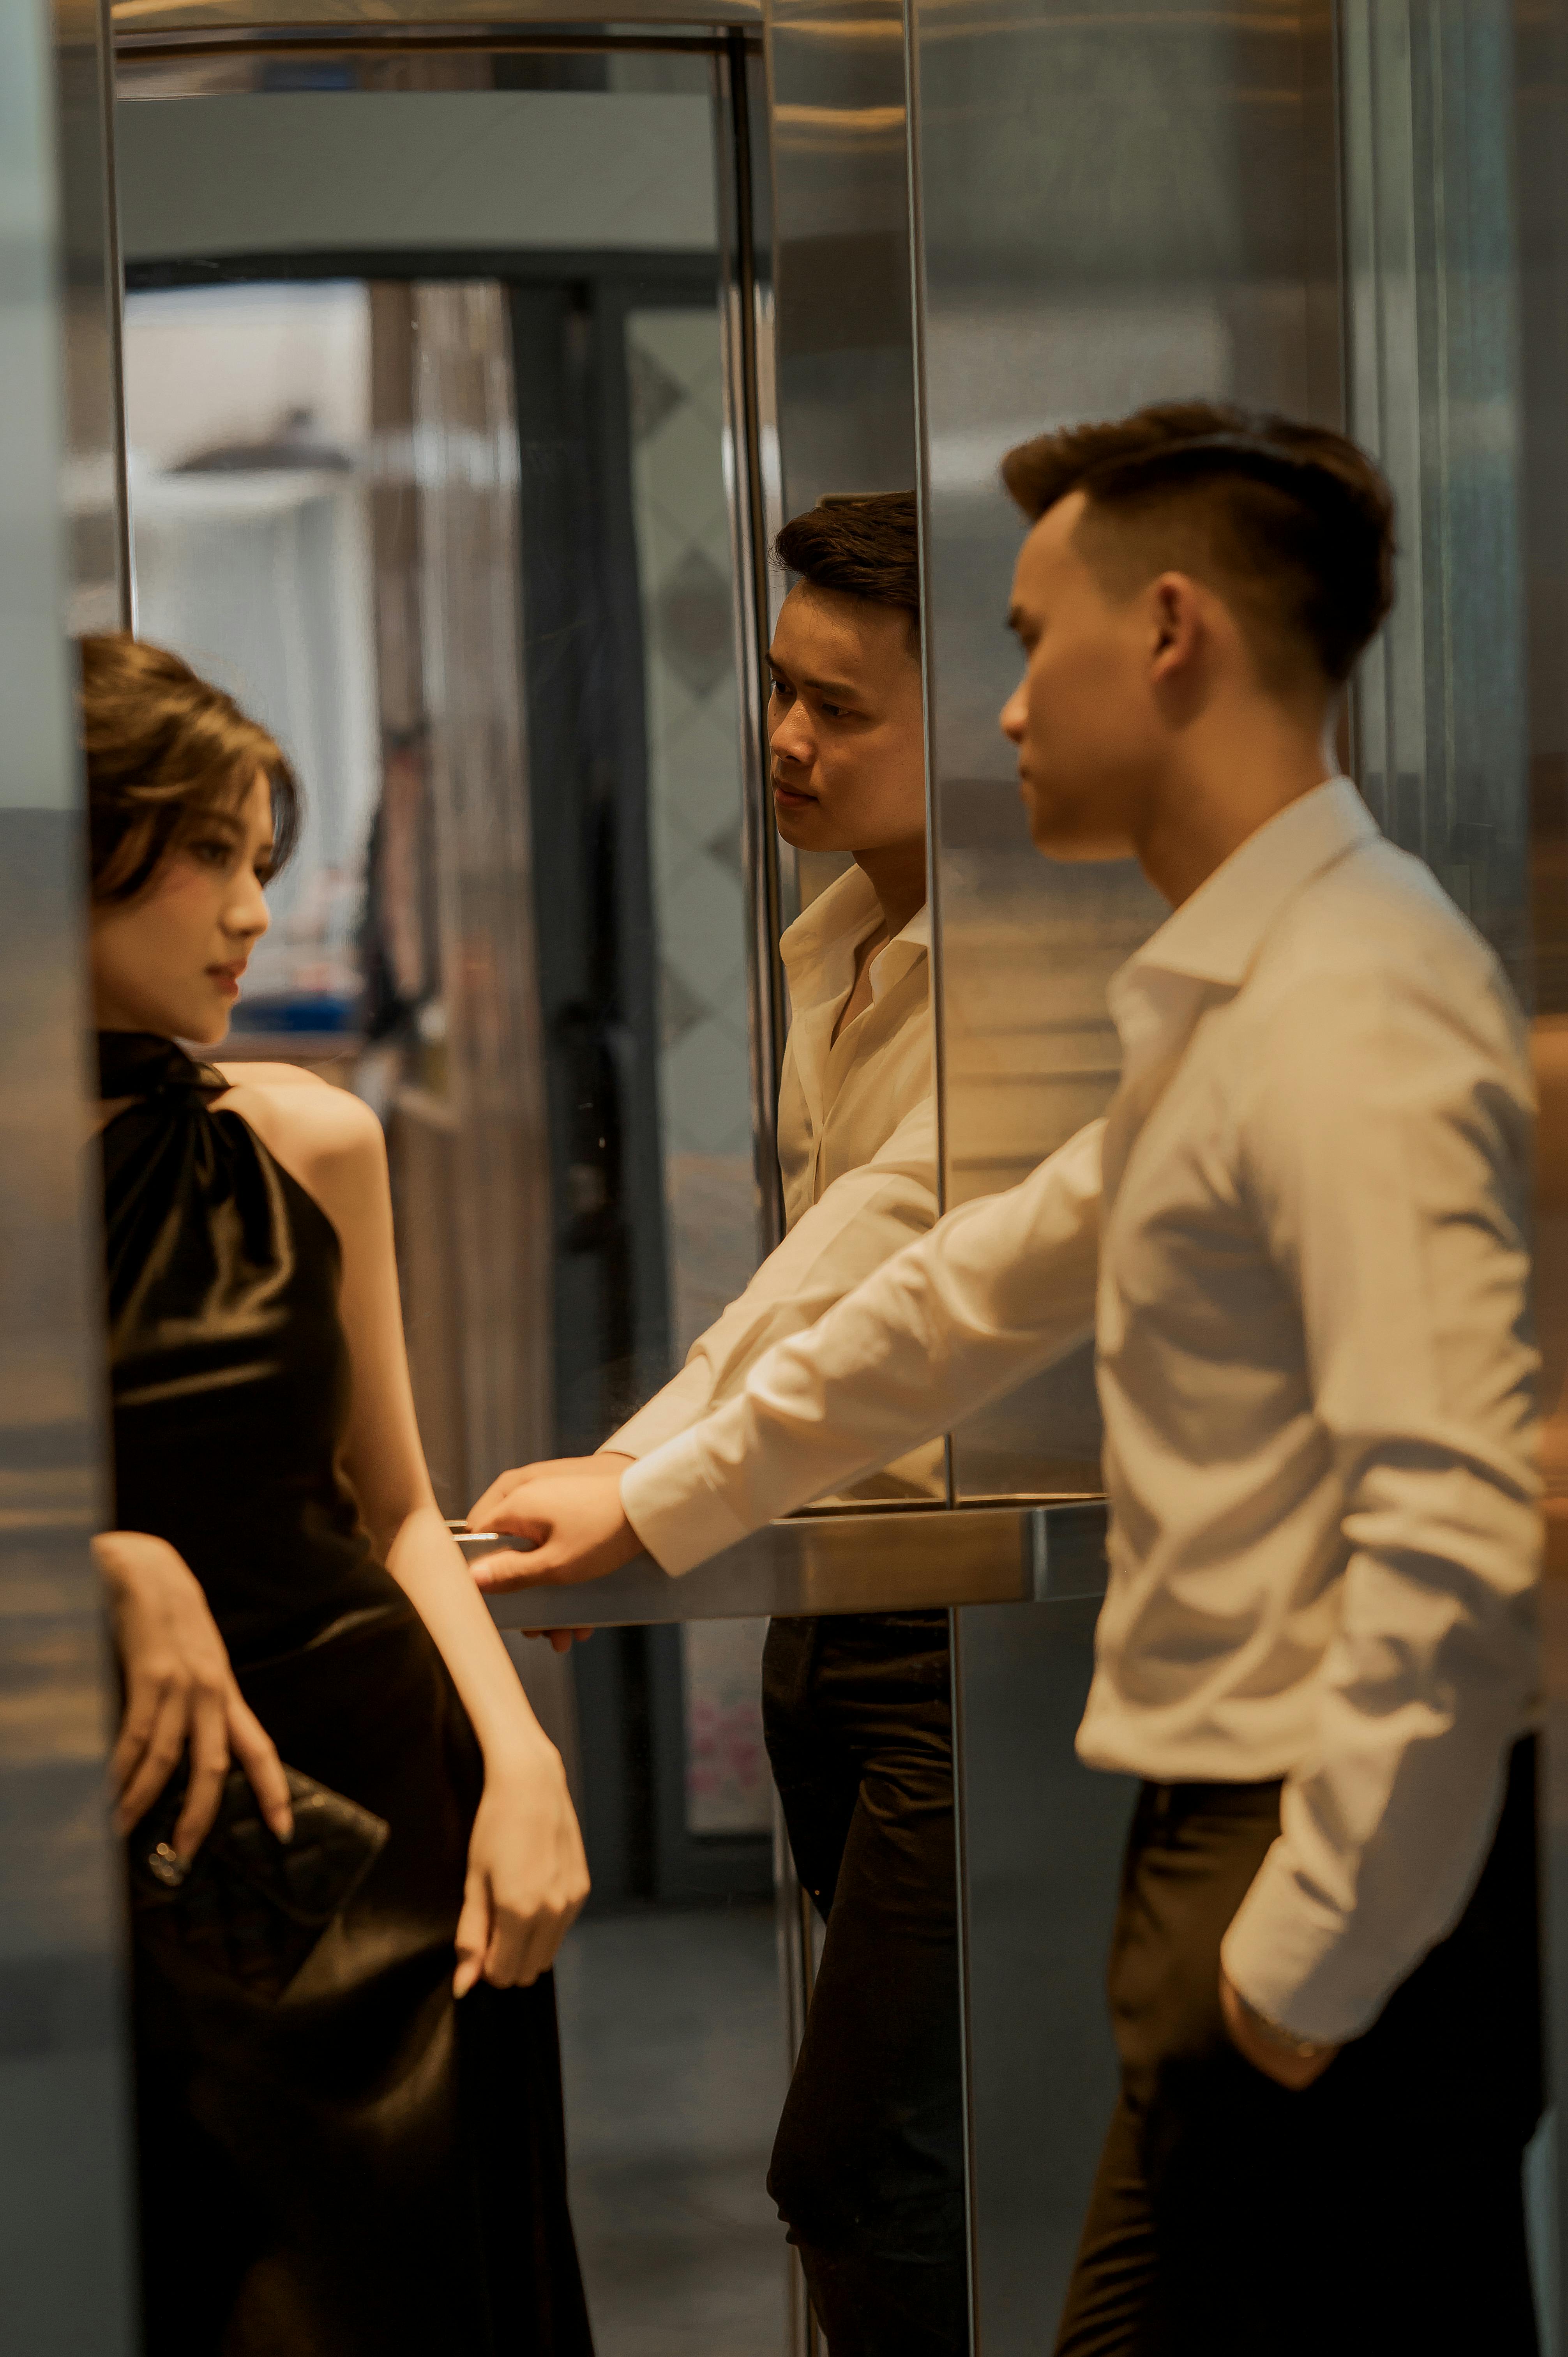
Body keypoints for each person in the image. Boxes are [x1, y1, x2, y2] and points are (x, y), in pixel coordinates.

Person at [470, 403, 1544, 2353]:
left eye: (1033, 642)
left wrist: (1297, 1968)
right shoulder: (1251, 985)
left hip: (1306, 1859)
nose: (1012, 707)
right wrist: (658, 1491)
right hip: (1234, 1839)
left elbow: (1460, 1537)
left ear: (1172, 635)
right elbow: (970, 1287)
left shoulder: (1350, 1003)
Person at [472, 493, 975, 2356]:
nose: (784, 738)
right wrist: (658, 1485)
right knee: (919, 2161)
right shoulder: (832, 938)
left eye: (842, 708)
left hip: (969, 1635)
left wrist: (647, 1479)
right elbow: (818, 1271)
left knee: (864, 2167)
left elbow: (891, 1256)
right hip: (830, 1597)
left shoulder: (1023, 980)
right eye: (779, 688)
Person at [82, 634, 594, 2357]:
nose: (253, 912)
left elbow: (397, 1507)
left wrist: (519, 1759)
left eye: (261, 860)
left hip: (367, 1830)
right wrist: (98, 1562)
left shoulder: (307, 1139)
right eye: (207, 855)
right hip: (84, 1840)